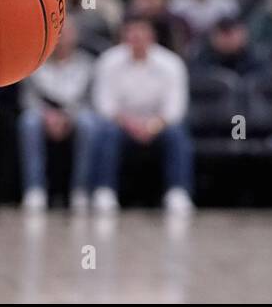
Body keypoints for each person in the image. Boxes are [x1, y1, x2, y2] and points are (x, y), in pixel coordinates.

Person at [89, 16, 194, 214]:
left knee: (177, 133)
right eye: (131, 31)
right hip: (121, 125)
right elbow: (104, 106)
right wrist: (130, 125)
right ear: (123, 35)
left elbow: (175, 109)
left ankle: (177, 192)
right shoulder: (108, 61)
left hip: (159, 125)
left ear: (152, 36)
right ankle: (104, 190)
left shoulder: (172, 64)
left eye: (142, 31)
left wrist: (152, 126)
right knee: (104, 130)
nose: (136, 37)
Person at [17, 19, 97, 211]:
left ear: (76, 37)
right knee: (28, 122)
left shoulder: (87, 64)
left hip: (76, 115)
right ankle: (34, 189)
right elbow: (27, 99)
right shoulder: (34, 62)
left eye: (66, 33)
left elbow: (89, 100)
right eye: (57, 34)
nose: (61, 39)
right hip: (42, 114)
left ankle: (80, 189)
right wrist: (48, 116)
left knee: (89, 124)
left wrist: (68, 116)